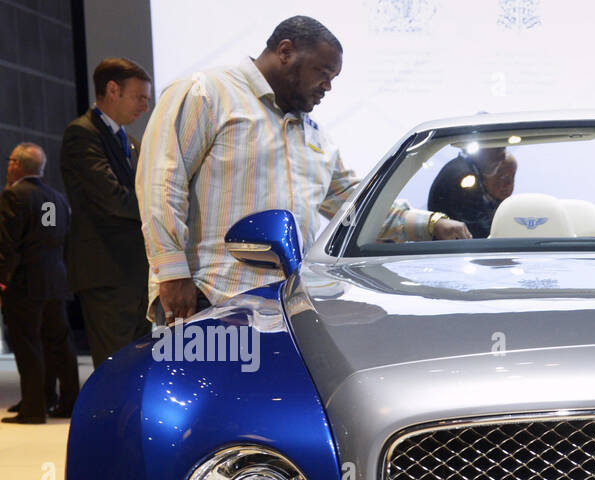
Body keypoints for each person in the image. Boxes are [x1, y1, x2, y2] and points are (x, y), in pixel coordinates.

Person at [137, 15, 469, 323]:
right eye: (322, 72)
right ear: (285, 52)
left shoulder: (315, 135)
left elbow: (355, 207)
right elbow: (162, 182)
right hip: (208, 299)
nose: (328, 86)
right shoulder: (206, 92)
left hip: (284, 307)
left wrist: (431, 224)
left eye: (333, 78)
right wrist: (171, 273)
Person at [61, 57, 153, 369]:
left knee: (139, 368)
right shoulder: (82, 134)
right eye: (139, 97)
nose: (144, 105)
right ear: (112, 89)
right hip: (107, 273)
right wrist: (159, 207)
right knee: (116, 370)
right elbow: (112, 198)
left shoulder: (132, 142)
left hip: (138, 275)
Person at [0, 145, 79, 424]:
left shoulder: (14, 195)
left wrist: (2, 281)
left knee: (28, 344)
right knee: (59, 344)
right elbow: (59, 240)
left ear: (18, 165)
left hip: (25, 283)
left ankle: (34, 409)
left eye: (10, 161)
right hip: (56, 282)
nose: (8, 166)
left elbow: (8, 245)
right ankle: (65, 402)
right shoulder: (56, 198)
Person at [427, 147, 517, 238]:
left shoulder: (464, 169)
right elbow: (476, 227)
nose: (502, 157)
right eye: (498, 150)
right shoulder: (464, 176)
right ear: (482, 150)